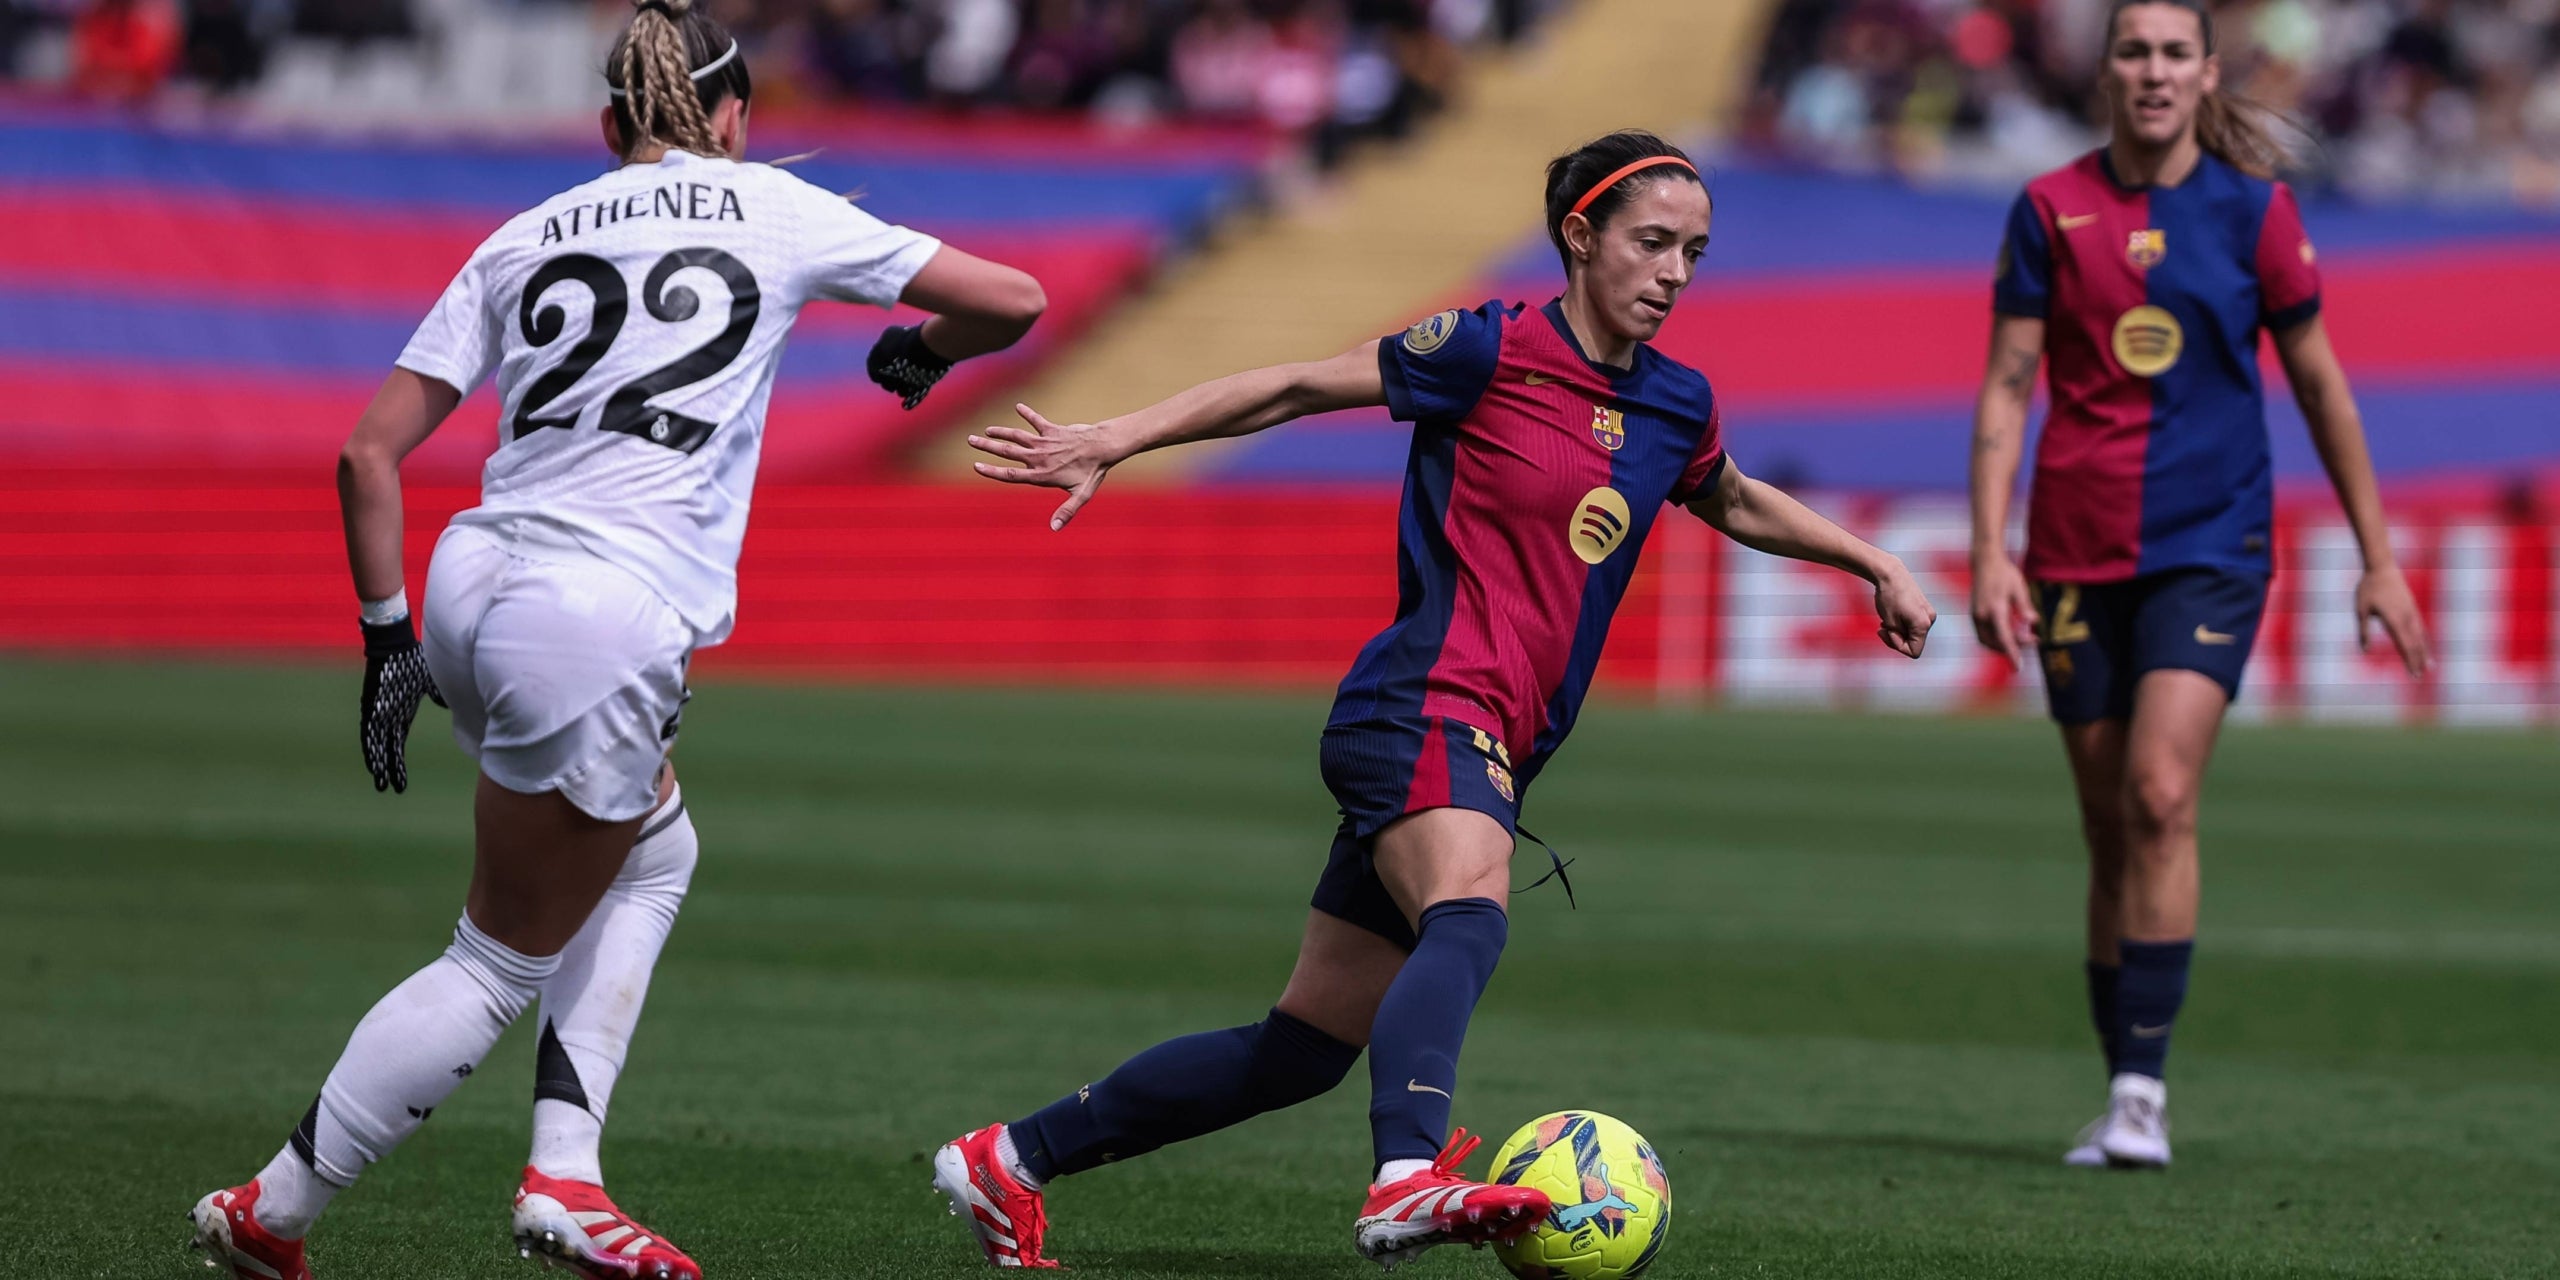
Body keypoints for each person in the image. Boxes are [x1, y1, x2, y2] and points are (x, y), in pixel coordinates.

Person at [934, 129, 1938, 1269]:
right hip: (1420, 704)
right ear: (1580, 236)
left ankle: (1009, 1158)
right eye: (1651, 243)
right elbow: (1299, 384)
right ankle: (1405, 1172)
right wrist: (1117, 434)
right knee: (1470, 902)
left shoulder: (1675, 403)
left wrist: (1876, 563)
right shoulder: (1486, 348)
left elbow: (1734, 498)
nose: (1671, 273)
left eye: (1693, 253)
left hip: (1487, 739)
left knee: (1301, 1048)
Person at [186, 2, 1045, 1276]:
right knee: (492, 957)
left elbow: (367, 453)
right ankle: (276, 1208)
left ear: (608, 125)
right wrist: (921, 353)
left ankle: (568, 1174)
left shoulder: (524, 233)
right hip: (598, 609)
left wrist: (387, 644)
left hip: (473, 579)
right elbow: (1014, 300)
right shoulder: (771, 206)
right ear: (735, 116)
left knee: (654, 844)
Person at [1967, 0, 2431, 1171]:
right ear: (2106, 69)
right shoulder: (2048, 208)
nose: (2155, 70)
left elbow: (2323, 387)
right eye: (2134, 50)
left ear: (2206, 71)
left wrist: (2379, 557)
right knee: (2106, 825)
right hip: (2074, 551)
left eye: (2176, 52)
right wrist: (1989, 547)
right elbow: (2007, 388)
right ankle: (2117, 1072)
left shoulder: (2257, 212)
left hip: (2211, 545)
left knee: (2161, 791)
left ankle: (2138, 1096)